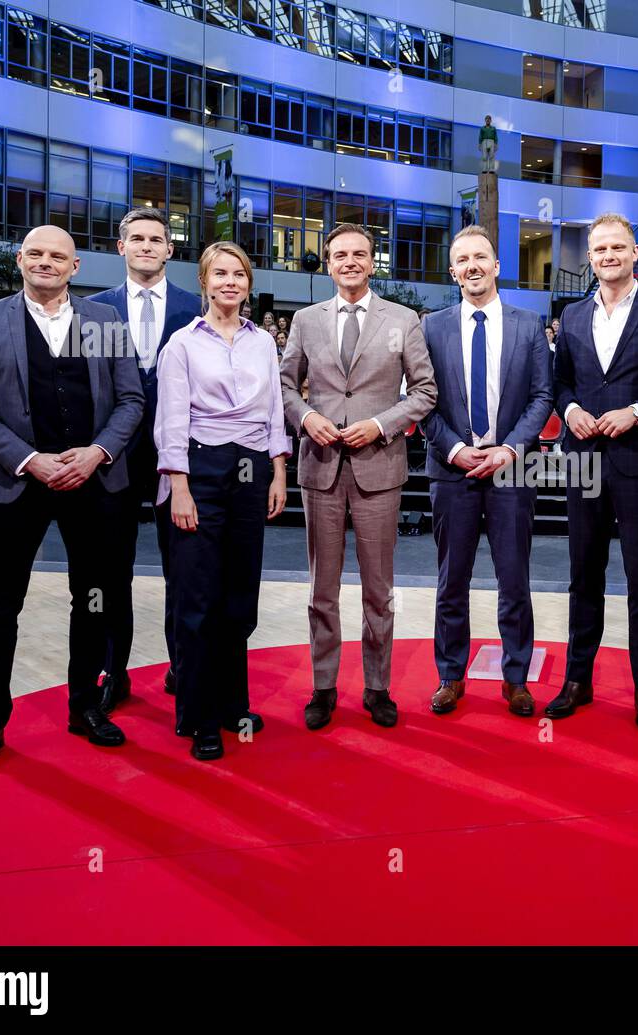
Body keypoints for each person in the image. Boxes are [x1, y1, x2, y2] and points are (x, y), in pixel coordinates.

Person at [0, 225, 143, 777]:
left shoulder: (105, 322)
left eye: (57, 255)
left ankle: (84, 707)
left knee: (93, 601)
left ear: (75, 267)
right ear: (20, 260)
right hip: (18, 484)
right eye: (35, 253)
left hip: (93, 483)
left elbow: (131, 399)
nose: (45, 262)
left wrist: (98, 452)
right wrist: (31, 459)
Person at [280, 223, 437, 730]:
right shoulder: (305, 319)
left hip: (378, 468)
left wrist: (380, 423)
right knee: (321, 589)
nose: (349, 261)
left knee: (379, 590)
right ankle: (323, 687)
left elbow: (424, 391)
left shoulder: (403, 319)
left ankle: (377, 687)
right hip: (320, 468)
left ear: (373, 262)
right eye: (339, 254)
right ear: (328, 263)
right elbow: (283, 385)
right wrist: (306, 417)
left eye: (359, 254)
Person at [547, 212, 638, 732]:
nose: (607, 256)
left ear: (635, 254)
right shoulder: (573, 314)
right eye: (599, 249)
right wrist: (571, 410)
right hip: (583, 460)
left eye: (617, 248)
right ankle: (577, 680)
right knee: (584, 577)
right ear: (590, 257)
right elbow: (560, 383)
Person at [154, 242, 290, 761]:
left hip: (253, 469)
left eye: (239, 274)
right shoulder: (181, 345)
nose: (230, 282)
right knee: (198, 602)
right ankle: (199, 716)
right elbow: (171, 421)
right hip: (200, 468)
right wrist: (179, 486)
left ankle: (235, 705)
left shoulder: (262, 344)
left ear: (248, 284)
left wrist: (279, 472)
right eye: (220, 274)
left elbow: (274, 411)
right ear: (204, 281)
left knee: (238, 598)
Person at [422, 226, 553, 716]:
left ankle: (515, 678)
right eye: (463, 259)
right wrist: (455, 449)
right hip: (451, 470)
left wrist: (512, 449)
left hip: (511, 471)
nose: (472, 266)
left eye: (481, 257)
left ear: (497, 267)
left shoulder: (528, 323)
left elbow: (543, 396)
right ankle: (450, 676)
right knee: (451, 581)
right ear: (453, 271)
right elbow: (422, 400)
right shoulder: (431, 327)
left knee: (513, 580)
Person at [88, 207, 201, 712]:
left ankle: (182, 666)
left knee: (183, 569)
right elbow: (83, 388)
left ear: (170, 250)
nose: (147, 246)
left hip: (177, 460)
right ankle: (115, 670)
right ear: (121, 246)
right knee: (113, 571)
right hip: (113, 459)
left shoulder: (197, 308)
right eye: (137, 238)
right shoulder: (92, 311)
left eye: (157, 239)